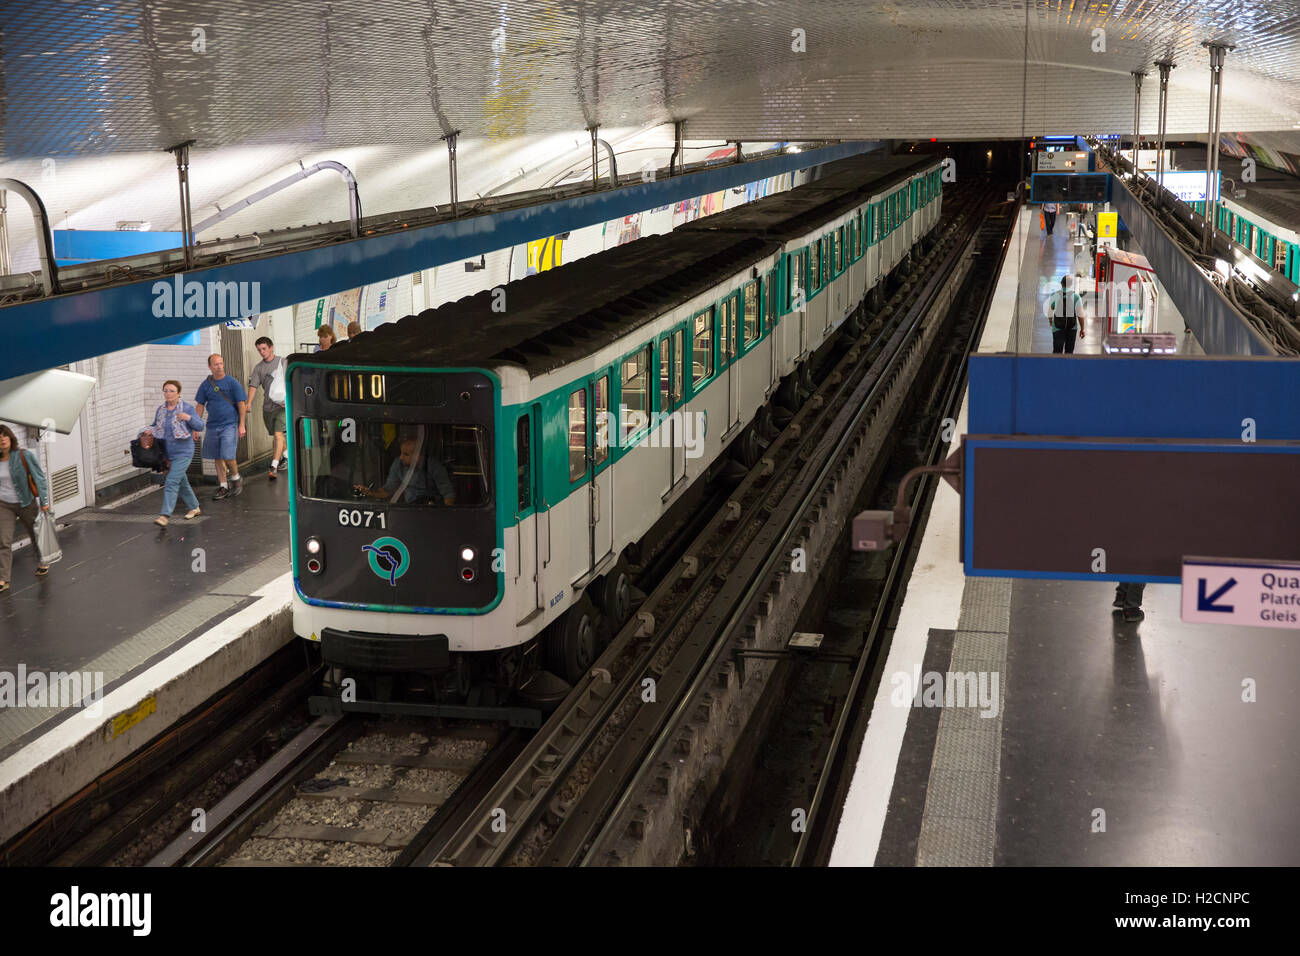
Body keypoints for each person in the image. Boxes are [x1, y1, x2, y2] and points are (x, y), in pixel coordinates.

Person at [144, 380, 205, 527]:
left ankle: (165, 515)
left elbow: (200, 425)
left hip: (184, 452)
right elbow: (156, 427)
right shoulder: (161, 410)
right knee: (181, 481)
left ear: (178, 393)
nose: (168, 393)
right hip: (167, 453)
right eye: (165, 390)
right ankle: (194, 507)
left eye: (171, 391)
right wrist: (149, 430)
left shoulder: (187, 409)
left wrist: (188, 418)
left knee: (171, 481)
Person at [0, 424, 51, 592]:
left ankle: (43, 559)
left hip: (26, 502)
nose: (2, 439)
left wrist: (44, 502)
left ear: (10, 438)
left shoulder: (23, 455)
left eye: (4, 436)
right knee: (3, 541)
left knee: (35, 534)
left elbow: (40, 478)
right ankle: (3, 578)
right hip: (4, 504)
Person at [194, 353, 248, 499]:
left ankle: (236, 478)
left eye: (221, 363)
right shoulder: (206, 385)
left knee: (228, 456)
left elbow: (241, 404)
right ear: (210, 367)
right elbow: (200, 406)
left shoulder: (232, 383)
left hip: (230, 424)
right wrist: (195, 426)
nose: (219, 367)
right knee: (217, 457)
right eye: (216, 364)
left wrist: (241, 425)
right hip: (212, 426)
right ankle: (223, 486)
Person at [354, 436, 455, 505]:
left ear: (418, 455)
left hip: (430, 511)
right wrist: (370, 492)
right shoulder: (398, 464)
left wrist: (444, 517)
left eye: (406, 454)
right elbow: (388, 490)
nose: (401, 457)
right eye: (401, 453)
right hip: (409, 510)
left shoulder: (434, 466)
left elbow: (448, 495)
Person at [247, 337, 288, 481]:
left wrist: (289, 399)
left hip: (282, 407)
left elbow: (291, 380)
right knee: (278, 436)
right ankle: (287, 456)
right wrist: (249, 403)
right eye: (259, 350)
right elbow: (253, 386)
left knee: (278, 434)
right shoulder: (259, 368)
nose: (262, 352)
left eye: (264, 349)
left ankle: (274, 465)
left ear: (271, 348)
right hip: (268, 407)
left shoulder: (283, 362)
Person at [1044, 274, 1086, 354]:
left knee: (1057, 351)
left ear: (1061, 283)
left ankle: (1056, 366)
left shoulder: (1054, 295)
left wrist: (1051, 322)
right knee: (1069, 352)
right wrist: (1082, 329)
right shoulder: (1076, 297)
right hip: (1072, 327)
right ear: (1071, 284)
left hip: (1057, 327)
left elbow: (1050, 311)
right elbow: (1080, 315)